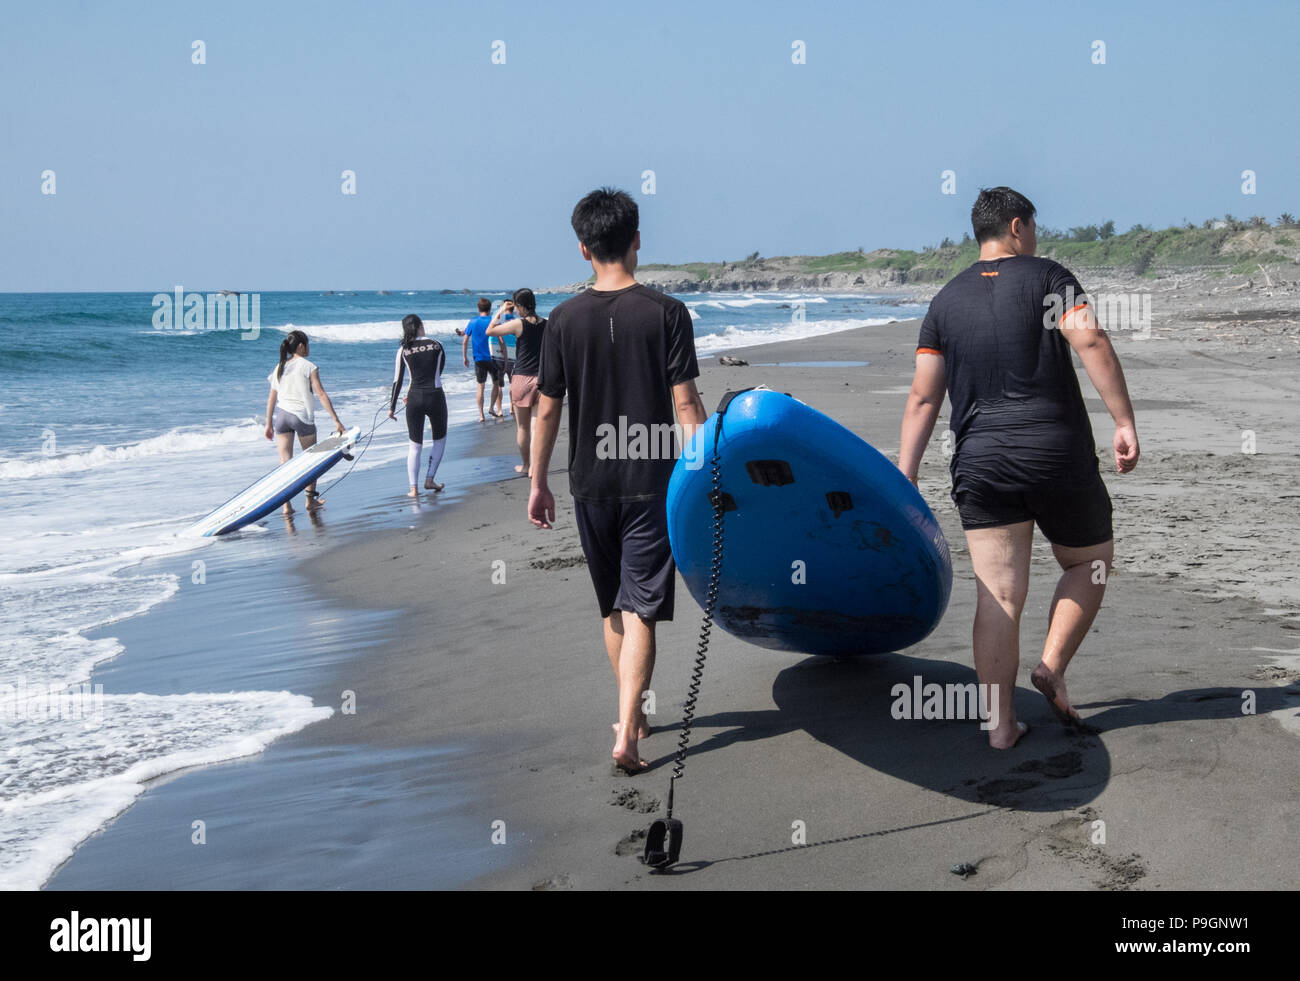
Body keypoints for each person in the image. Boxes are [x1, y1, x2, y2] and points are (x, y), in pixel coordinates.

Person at [898, 187, 1140, 749]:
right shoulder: (1048, 276)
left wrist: (904, 474)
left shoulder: (944, 301)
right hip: (1056, 453)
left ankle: (1000, 725)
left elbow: (923, 398)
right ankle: (1051, 665)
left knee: (999, 596)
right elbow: (1092, 340)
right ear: (1016, 226)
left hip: (981, 463)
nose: (1035, 237)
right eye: (1032, 227)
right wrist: (1123, 421)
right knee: (1091, 563)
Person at [529, 188, 708, 772]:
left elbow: (548, 408)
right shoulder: (666, 313)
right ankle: (628, 730)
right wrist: (707, 470)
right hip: (654, 483)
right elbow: (685, 405)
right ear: (636, 239)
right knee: (642, 610)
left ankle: (632, 714)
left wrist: (537, 481)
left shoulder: (561, 320)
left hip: (590, 485)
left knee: (613, 605)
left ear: (583, 248)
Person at [264, 330, 346, 514]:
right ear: (301, 346)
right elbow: (321, 394)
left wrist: (268, 424)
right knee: (312, 460)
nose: (309, 347)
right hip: (301, 417)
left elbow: (271, 399)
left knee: (285, 464)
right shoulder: (308, 366)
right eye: (308, 344)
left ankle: (286, 506)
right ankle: (310, 501)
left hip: (282, 417)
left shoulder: (279, 367)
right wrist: (336, 420)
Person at [389, 314, 448, 496]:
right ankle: (429, 479)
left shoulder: (404, 349)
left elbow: (397, 380)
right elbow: (439, 371)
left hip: (414, 398)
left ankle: (413, 489)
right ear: (421, 325)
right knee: (439, 439)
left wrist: (392, 407)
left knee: (414, 445)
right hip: (435, 396)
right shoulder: (437, 344)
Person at [487, 290, 546, 475]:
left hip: (520, 378)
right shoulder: (547, 324)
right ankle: (536, 467)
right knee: (537, 426)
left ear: (519, 306)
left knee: (522, 427)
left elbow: (490, 331)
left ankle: (526, 465)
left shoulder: (518, 324)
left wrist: (500, 310)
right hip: (542, 379)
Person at [462, 298, 504, 421]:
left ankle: (481, 415)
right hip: (493, 358)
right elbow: (501, 340)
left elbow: (465, 341)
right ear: (490, 309)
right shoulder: (494, 321)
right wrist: (504, 355)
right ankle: (491, 407)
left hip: (479, 358)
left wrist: (465, 357)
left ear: (478, 308)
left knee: (481, 386)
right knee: (495, 383)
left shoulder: (472, 321)